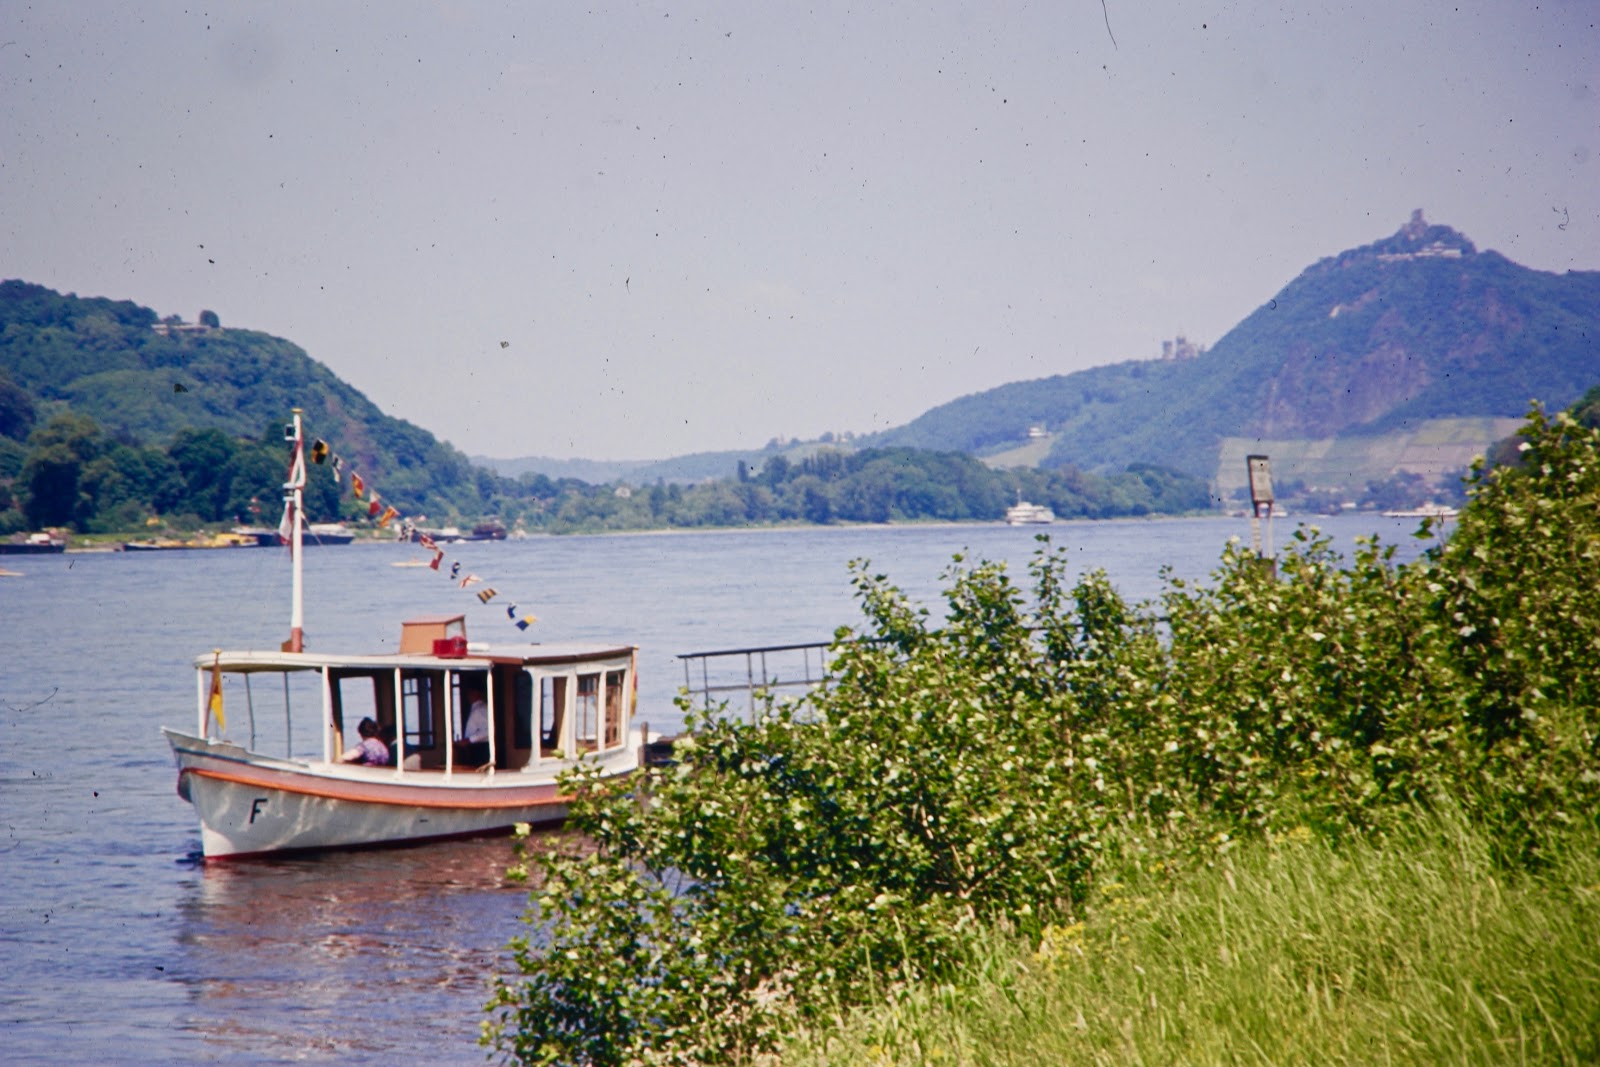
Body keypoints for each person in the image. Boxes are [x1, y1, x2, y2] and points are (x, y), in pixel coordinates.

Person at [459, 689, 491, 766]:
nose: (468, 696)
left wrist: (469, 740)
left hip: (480, 749)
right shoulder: (476, 708)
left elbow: (488, 731)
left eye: (471, 693)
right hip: (475, 748)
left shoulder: (480, 709)